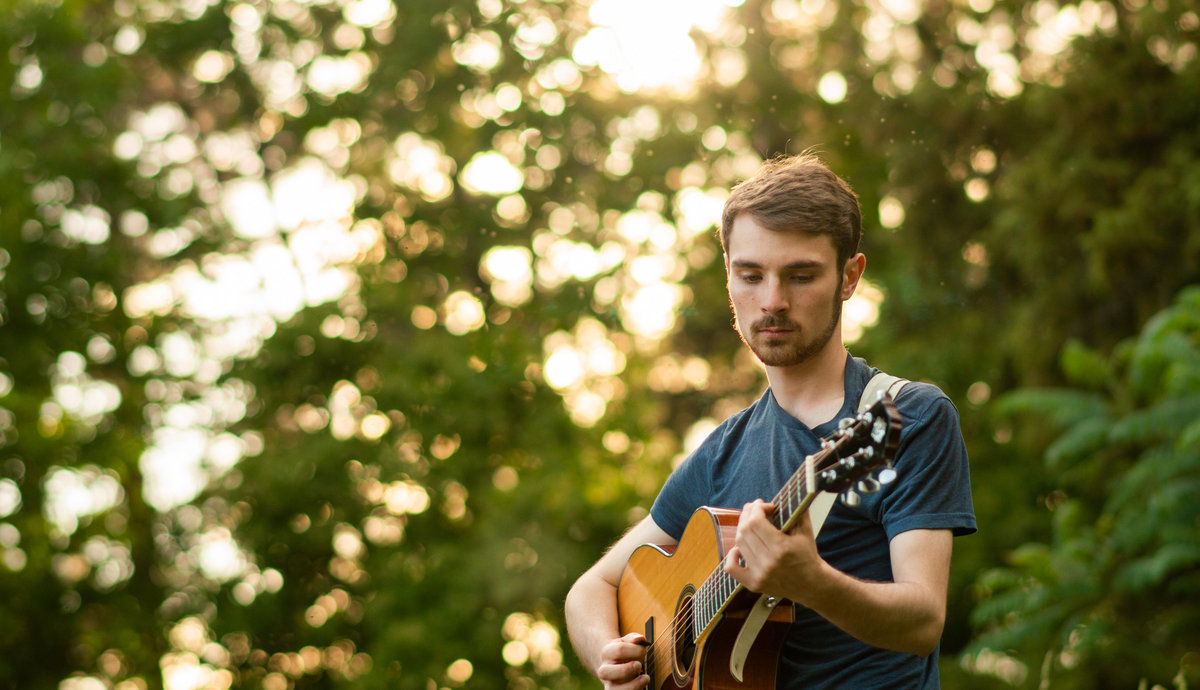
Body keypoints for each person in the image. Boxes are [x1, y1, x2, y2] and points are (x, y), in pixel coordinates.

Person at [563, 153, 976, 689]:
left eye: (800, 275)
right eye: (750, 275)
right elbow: (589, 588)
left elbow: (924, 621)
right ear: (729, 276)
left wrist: (813, 582)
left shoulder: (905, 416)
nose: (772, 301)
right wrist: (611, 656)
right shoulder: (722, 453)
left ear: (850, 277)